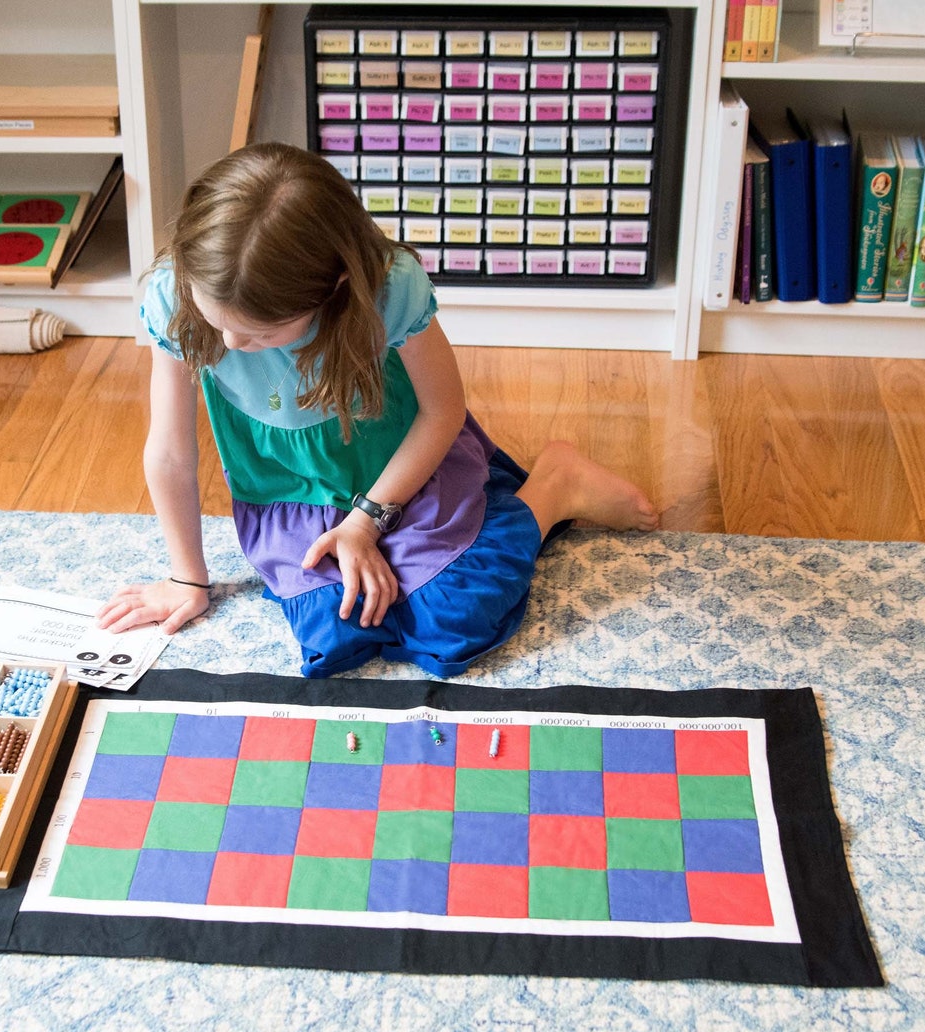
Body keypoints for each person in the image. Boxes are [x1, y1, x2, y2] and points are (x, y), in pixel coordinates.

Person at [98, 142, 657, 677]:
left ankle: (555, 486)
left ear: (335, 286)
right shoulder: (174, 292)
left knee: (454, 616)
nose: (230, 342)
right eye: (216, 318)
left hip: (402, 473)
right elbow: (171, 449)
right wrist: (187, 579)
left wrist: (366, 522)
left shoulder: (388, 288)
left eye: (261, 332)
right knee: (338, 628)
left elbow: (442, 412)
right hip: (288, 490)